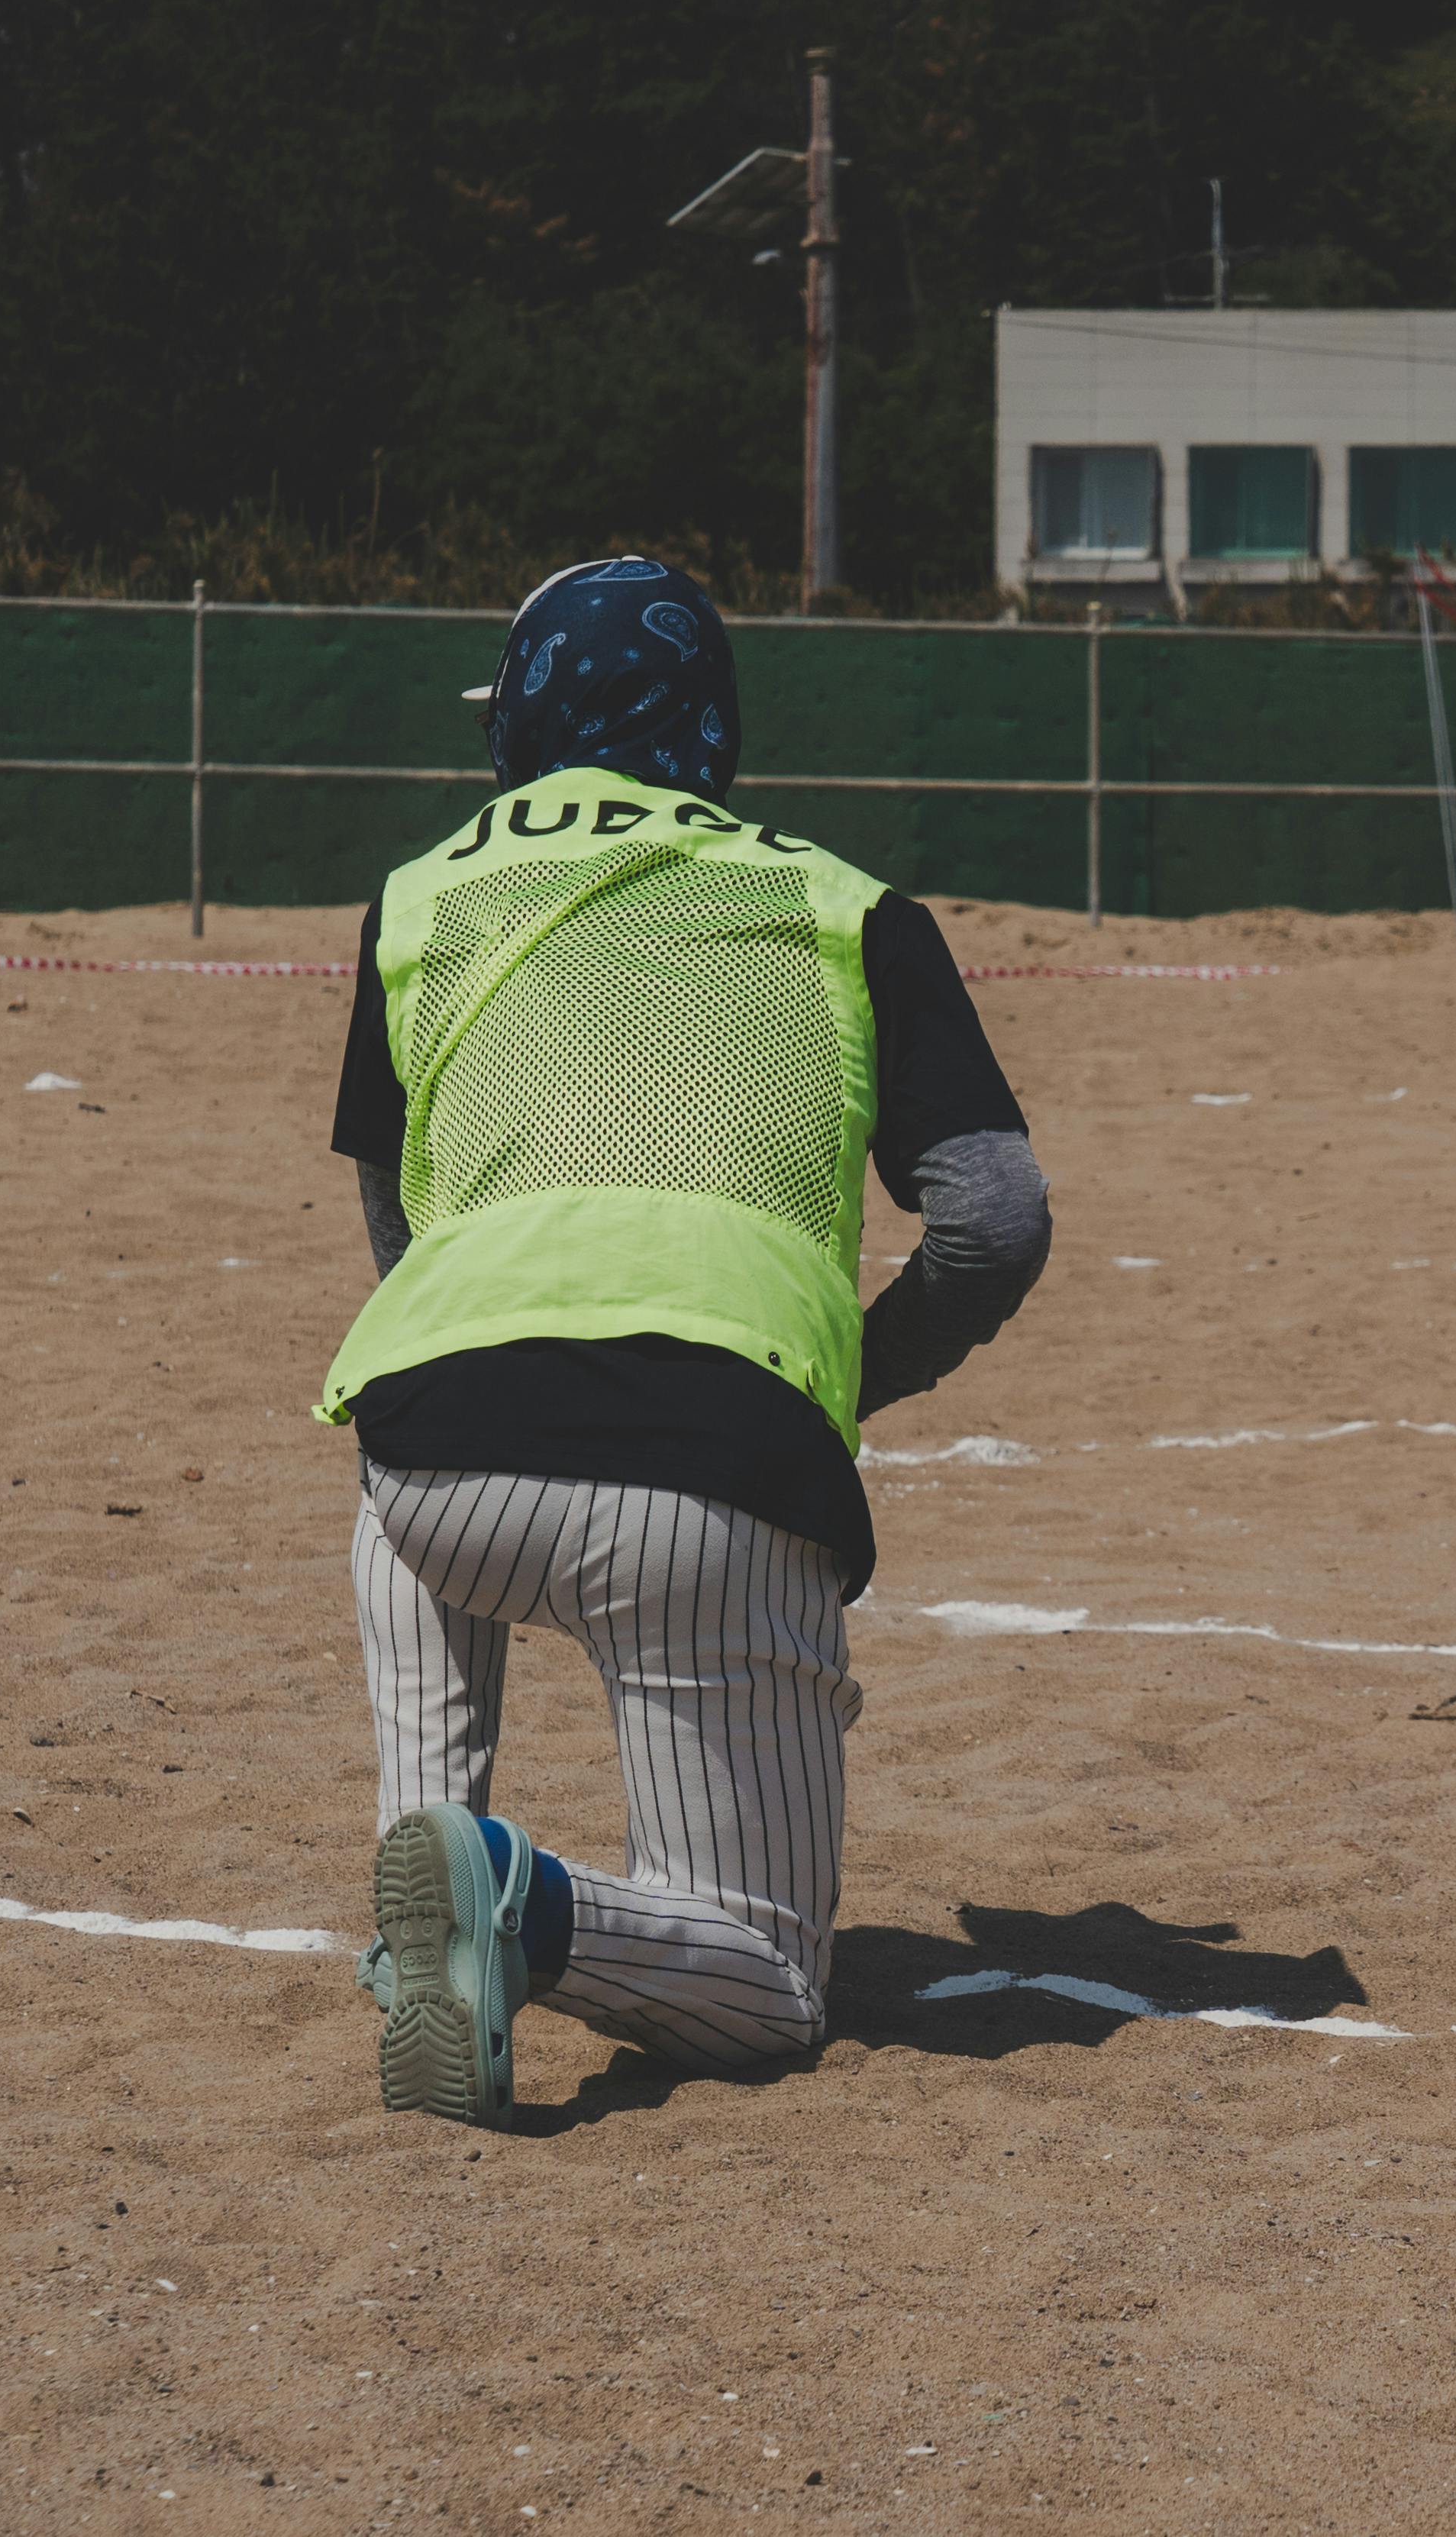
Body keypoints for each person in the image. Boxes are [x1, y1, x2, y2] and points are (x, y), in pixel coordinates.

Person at [316, 557, 1051, 2126]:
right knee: (771, 1986)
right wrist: (855, 1370)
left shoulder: (422, 894)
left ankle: (422, 1890)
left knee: (399, 1447)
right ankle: (519, 1904)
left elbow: (401, 1231)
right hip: (716, 1476)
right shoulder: (847, 905)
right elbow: (995, 1218)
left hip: (439, 1468)